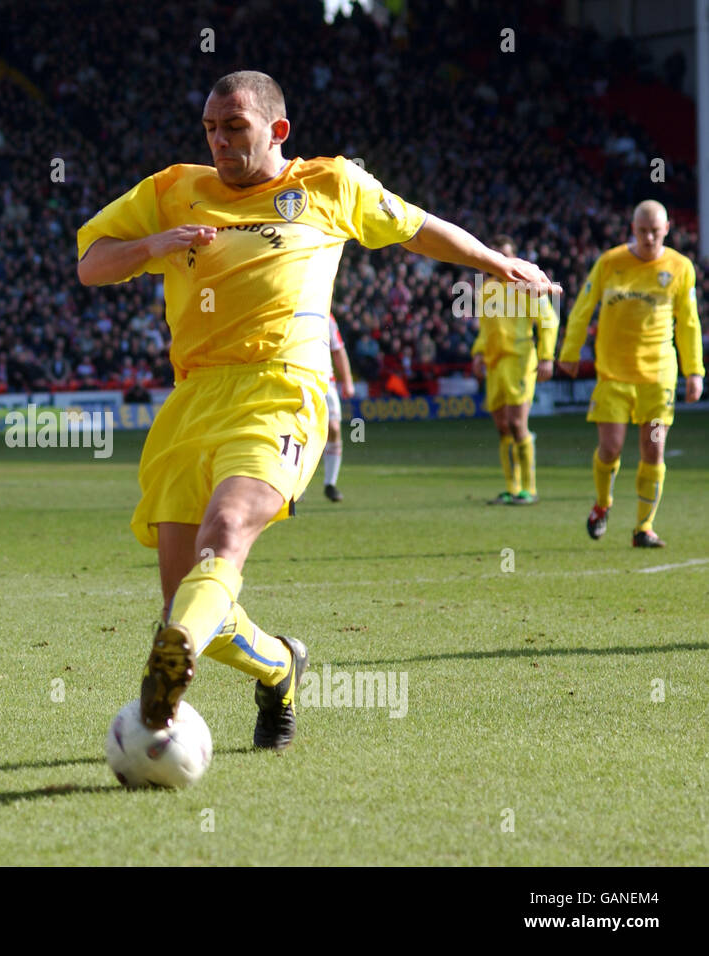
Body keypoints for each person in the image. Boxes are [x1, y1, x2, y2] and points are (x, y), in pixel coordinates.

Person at [76, 71, 559, 749]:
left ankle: (171, 651)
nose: (219, 141)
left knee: (228, 530)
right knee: (186, 592)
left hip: (281, 389)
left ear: (277, 130)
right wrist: (153, 246)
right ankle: (276, 664)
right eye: (210, 128)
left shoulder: (330, 184)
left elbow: (417, 227)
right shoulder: (171, 189)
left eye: (234, 126)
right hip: (191, 401)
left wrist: (493, 263)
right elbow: (91, 262)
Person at [559, 200, 703, 547]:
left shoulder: (681, 268)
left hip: (658, 377)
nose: (650, 237)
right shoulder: (610, 263)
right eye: (643, 231)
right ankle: (603, 503)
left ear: (667, 229)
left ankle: (644, 527)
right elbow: (583, 307)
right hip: (614, 375)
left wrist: (694, 371)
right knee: (610, 448)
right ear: (632, 229)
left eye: (656, 231)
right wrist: (570, 350)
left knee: (653, 452)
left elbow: (688, 323)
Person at [470, 235, 558, 505]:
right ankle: (512, 488)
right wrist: (478, 353)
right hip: (495, 363)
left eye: (506, 255)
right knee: (502, 427)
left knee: (518, 423)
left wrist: (546, 357)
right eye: (497, 255)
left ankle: (529, 490)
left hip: (520, 359)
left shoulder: (526, 287)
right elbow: (487, 329)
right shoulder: (485, 290)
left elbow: (548, 321)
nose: (501, 260)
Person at [321, 313, 354, 502]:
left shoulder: (327, 318)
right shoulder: (293, 306)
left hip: (327, 382)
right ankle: (296, 488)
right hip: (301, 379)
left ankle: (330, 484)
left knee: (333, 429)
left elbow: (338, 350)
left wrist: (347, 381)